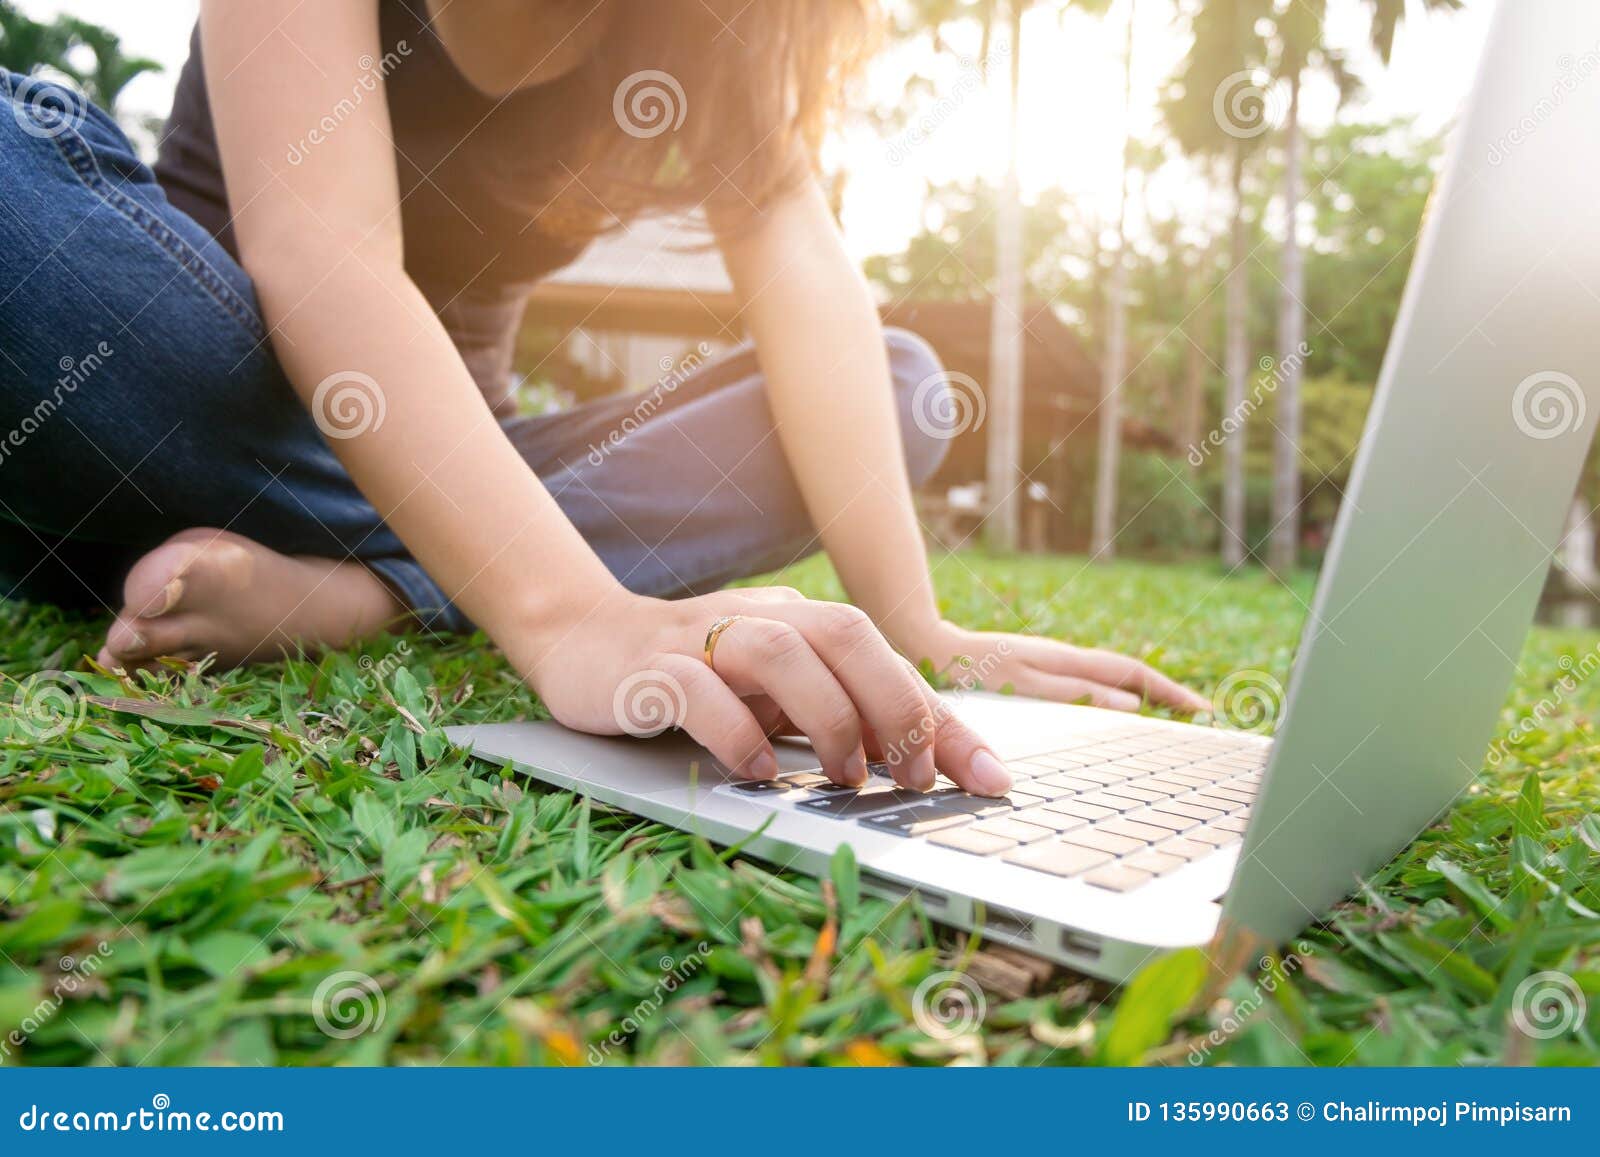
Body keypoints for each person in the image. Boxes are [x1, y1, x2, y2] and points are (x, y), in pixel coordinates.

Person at [0, 0, 1206, 798]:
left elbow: (796, 252)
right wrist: (567, 614)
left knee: (901, 389)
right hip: (193, 399)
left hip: (477, 475)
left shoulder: (702, 26)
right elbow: (323, 251)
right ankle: (411, 575)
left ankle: (372, 591)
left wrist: (920, 626)